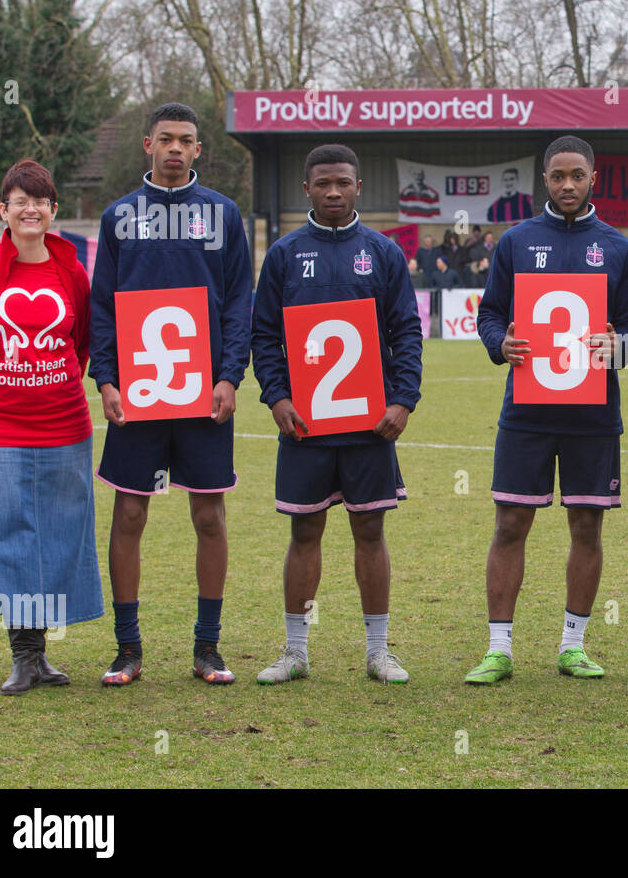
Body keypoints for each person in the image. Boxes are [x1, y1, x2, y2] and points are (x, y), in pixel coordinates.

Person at [91, 102, 253, 686]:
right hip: (137, 391)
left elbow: (239, 300)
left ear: (198, 150)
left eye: (186, 140)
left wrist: (230, 375)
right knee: (130, 510)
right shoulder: (118, 218)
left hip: (204, 391)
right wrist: (106, 378)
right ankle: (128, 648)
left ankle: (207, 648)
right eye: (166, 139)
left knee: (208, 514)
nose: (176, 149)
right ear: (147, 145)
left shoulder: (223, 214)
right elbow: (102, 306)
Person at [467, 135, 628, 684]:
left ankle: (573, 645)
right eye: (558, 176)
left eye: (578, 175)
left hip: (593, 415)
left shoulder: (618, 248)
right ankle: (498, 649)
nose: (568, 185)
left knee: (587, 526)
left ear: (594, 178)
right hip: (527, 412)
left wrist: (622, 345)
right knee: (511, 522)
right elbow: (490, 313)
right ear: (545, 179)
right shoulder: (517, 241)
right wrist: (501, 344)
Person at [251, 144, 423, 685]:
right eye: (322, 183)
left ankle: (378, 651)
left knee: (369, 528)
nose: (332, 192)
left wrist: (403, 398)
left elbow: (406, 331)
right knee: (304, 530)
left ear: (358, 187)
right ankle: (296, 652)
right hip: (305, 423)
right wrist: (277, 396)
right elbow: (264, 335)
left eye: (342, 183)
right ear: (306, 188)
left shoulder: (383, 253)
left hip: (369, 423)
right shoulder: (283, 254)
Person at [0, 160, 102, 694]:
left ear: (53, 211)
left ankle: (40, 652)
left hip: (63, 426)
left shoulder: (71, 273)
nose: (30, 208)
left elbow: (82, 340)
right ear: (3, 211)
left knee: (57, 536)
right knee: (7, 538)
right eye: (19, 200)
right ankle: (22, 653)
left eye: (39, 201)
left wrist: (54, 382)